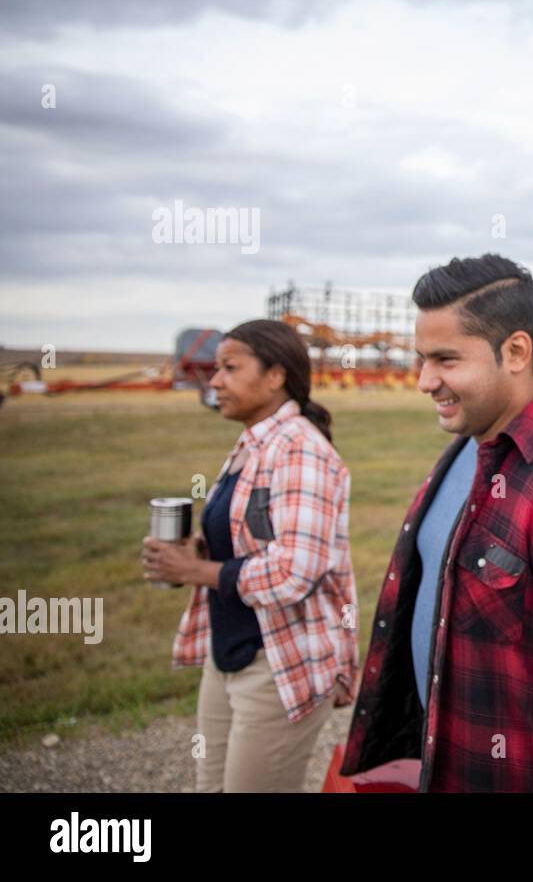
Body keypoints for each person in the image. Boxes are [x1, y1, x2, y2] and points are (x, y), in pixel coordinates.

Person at [340, 254, 533, 792]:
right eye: (421, 359)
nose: (424, 381)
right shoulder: (468, 448)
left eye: (445, 360)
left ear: (515, 352)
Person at [142, 319, 358, 792]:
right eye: (216, 369)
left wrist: (198, 570)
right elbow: (250, 542)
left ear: (276, 375)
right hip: (229, 655)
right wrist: (194, 556)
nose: (214, 381)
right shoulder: (252, 444)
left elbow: (293, 572)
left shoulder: (300, 450)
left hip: (278, 665)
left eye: (229, 368)